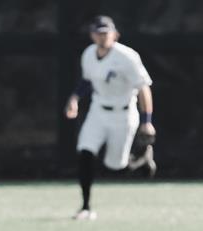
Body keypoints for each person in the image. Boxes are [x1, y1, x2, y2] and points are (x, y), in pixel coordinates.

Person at [62, 14, 155, 220]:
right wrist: (75, 99)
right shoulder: (88, 54)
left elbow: (143, 89)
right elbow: (88, 81)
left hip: (123, 114)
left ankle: (142, 160)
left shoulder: (127, 57)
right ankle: (85, 207)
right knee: (85, 152)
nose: (102, 37)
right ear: (92, 35)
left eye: (106, 33)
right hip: (98, 111)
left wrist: (147, 122)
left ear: (115, 35)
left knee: (116, 166)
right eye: (98, 33)